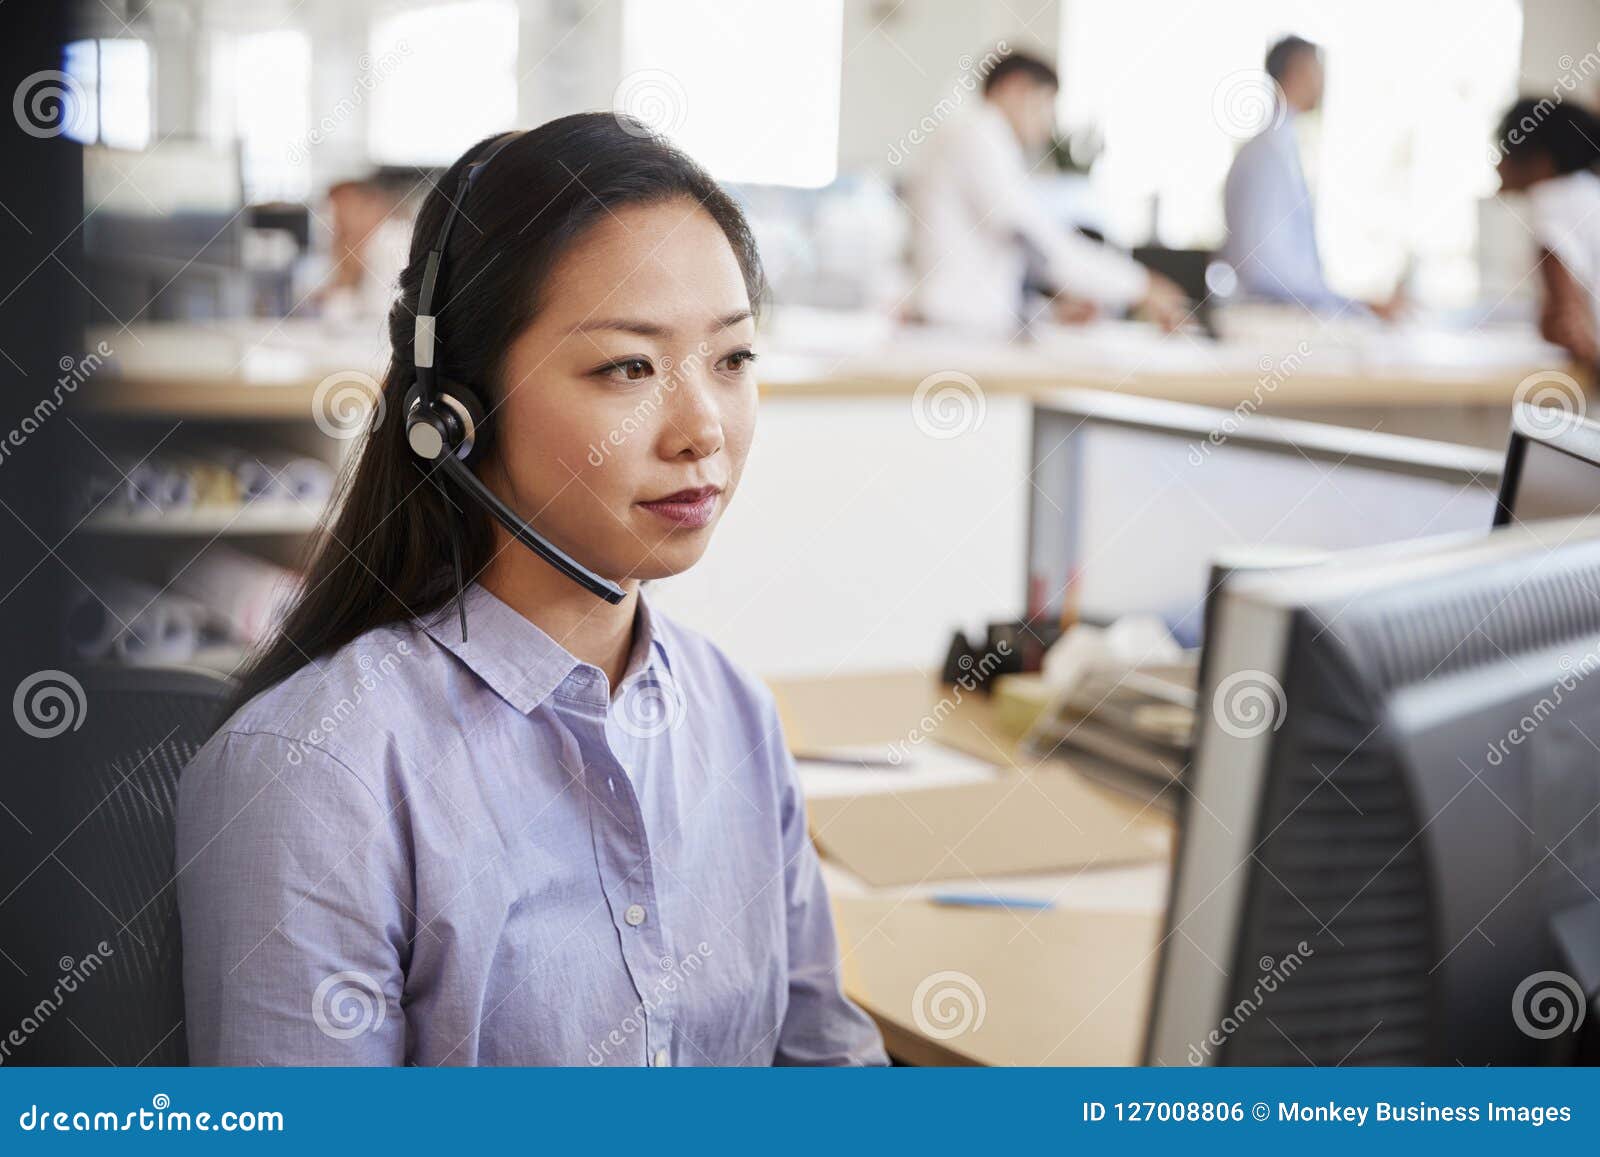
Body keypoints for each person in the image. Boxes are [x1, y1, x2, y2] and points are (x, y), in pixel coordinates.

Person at [176, 114, 888, 1067]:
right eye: (628, 367)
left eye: (732, 359)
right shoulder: (319, 772)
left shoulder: (737, 719)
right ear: (456, 410)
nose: (702, 430)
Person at [908, 50, 1189, 334]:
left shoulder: (974, 135)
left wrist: (1049, 311)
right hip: (956, 333)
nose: (1048, 123)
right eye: (1046, 104)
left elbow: (998, 257)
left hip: (964, 327)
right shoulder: (980, 134)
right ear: (1015, 88)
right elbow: (1041, 241)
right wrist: (1141, 286)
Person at [1220, 36, 1398, 317]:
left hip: (1279, 317)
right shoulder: (1268, 155)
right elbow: (1267, 268)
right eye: (1318, 70)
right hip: (1271, 323)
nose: (1324, 82)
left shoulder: (1278, 147)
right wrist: (1352, 305)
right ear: (1299, 71)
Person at [1495, 98, 1600, 366]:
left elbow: (1568, 324)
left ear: (1540, 161)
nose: (1497, 166)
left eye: (1504, 150)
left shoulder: (1550, 202)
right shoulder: (1588, 192)